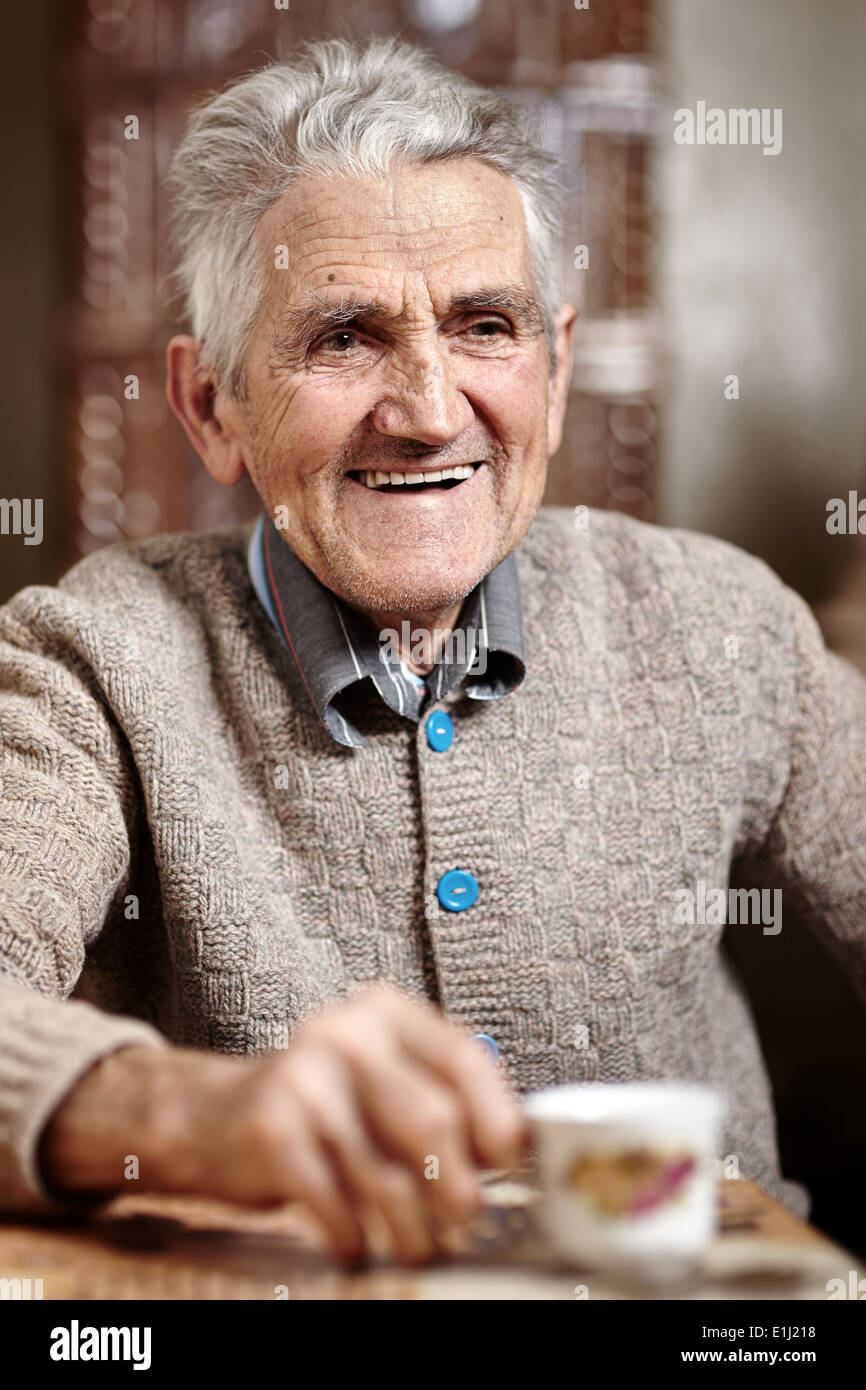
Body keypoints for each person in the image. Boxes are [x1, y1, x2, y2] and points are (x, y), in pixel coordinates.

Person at [1, 36, 864, 1265]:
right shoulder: (90, 662)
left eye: (483, 327)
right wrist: (183, 1110)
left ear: (554, 371)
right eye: (344, 336)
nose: (428, 409)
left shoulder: (719, 625)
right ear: (211, 407)